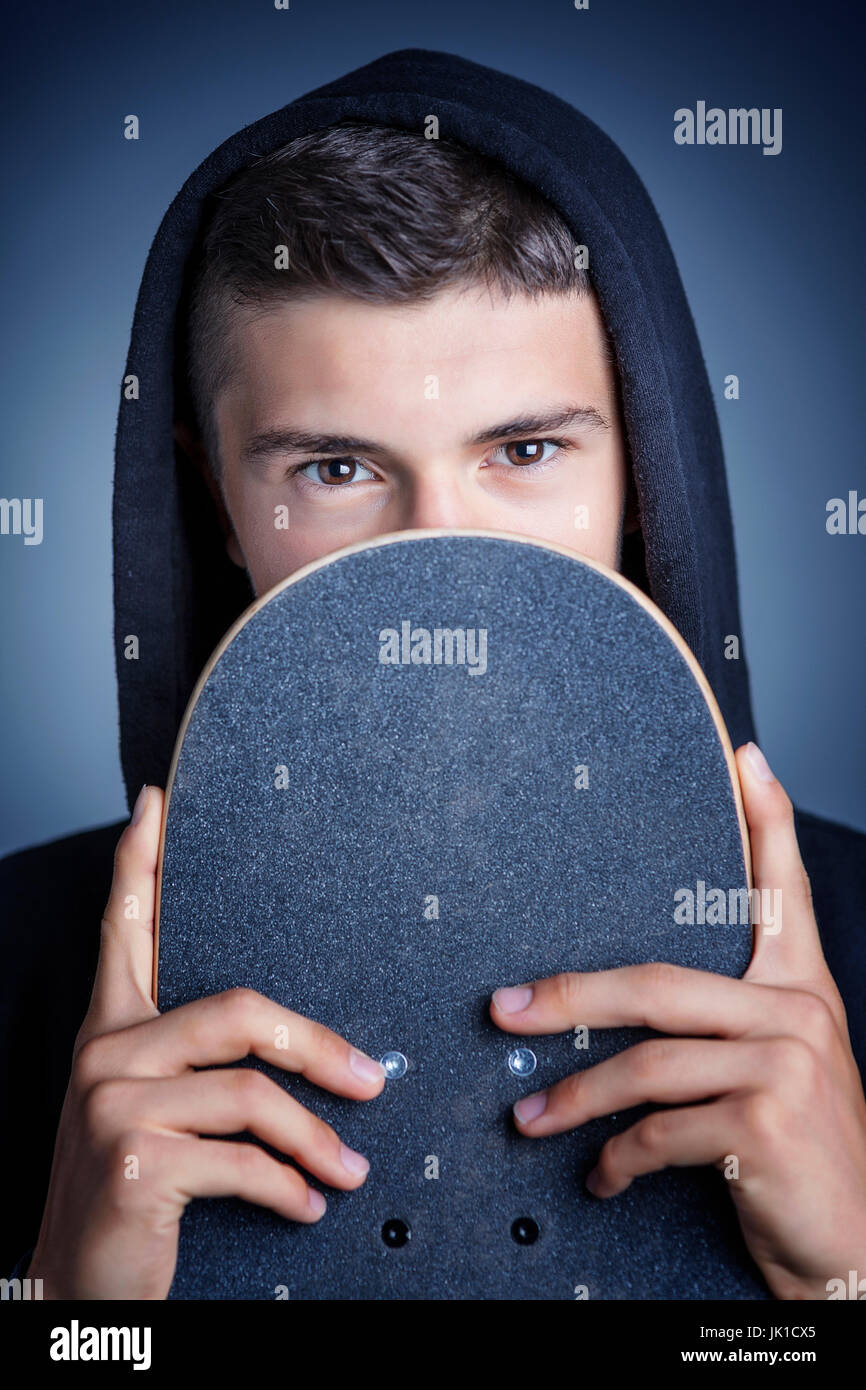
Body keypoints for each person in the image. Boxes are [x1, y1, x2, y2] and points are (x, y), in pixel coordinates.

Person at [2, 48, 865, 1301]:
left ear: (643, 475)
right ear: (216, 502)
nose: (442, 563)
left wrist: (850, 1276)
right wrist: (65, 1314)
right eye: (336, 470)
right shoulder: (18, 960)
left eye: (522, 449)